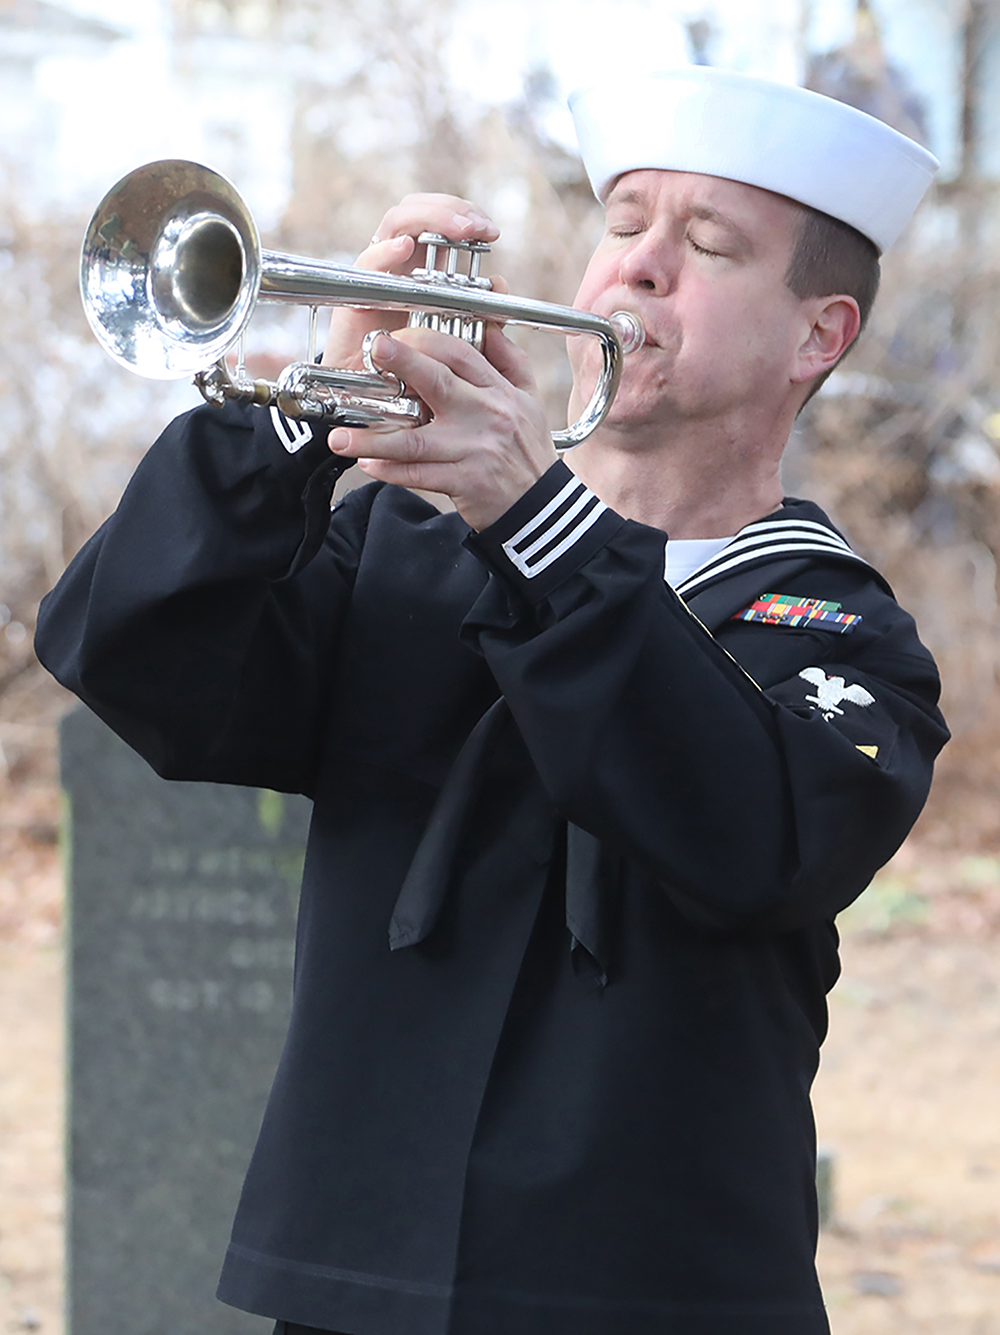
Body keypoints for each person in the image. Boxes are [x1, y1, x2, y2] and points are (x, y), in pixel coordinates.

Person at [37, 68, 949, 1335]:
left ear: (818, 336)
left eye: (708, 244)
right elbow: (123, 647)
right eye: (622, 223)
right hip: (352, 1281)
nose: (638, 266)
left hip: (655, 1295)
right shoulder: (406, 549)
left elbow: (755, 843)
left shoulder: (838, 630)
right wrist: (308, 412)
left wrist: (536, 519)